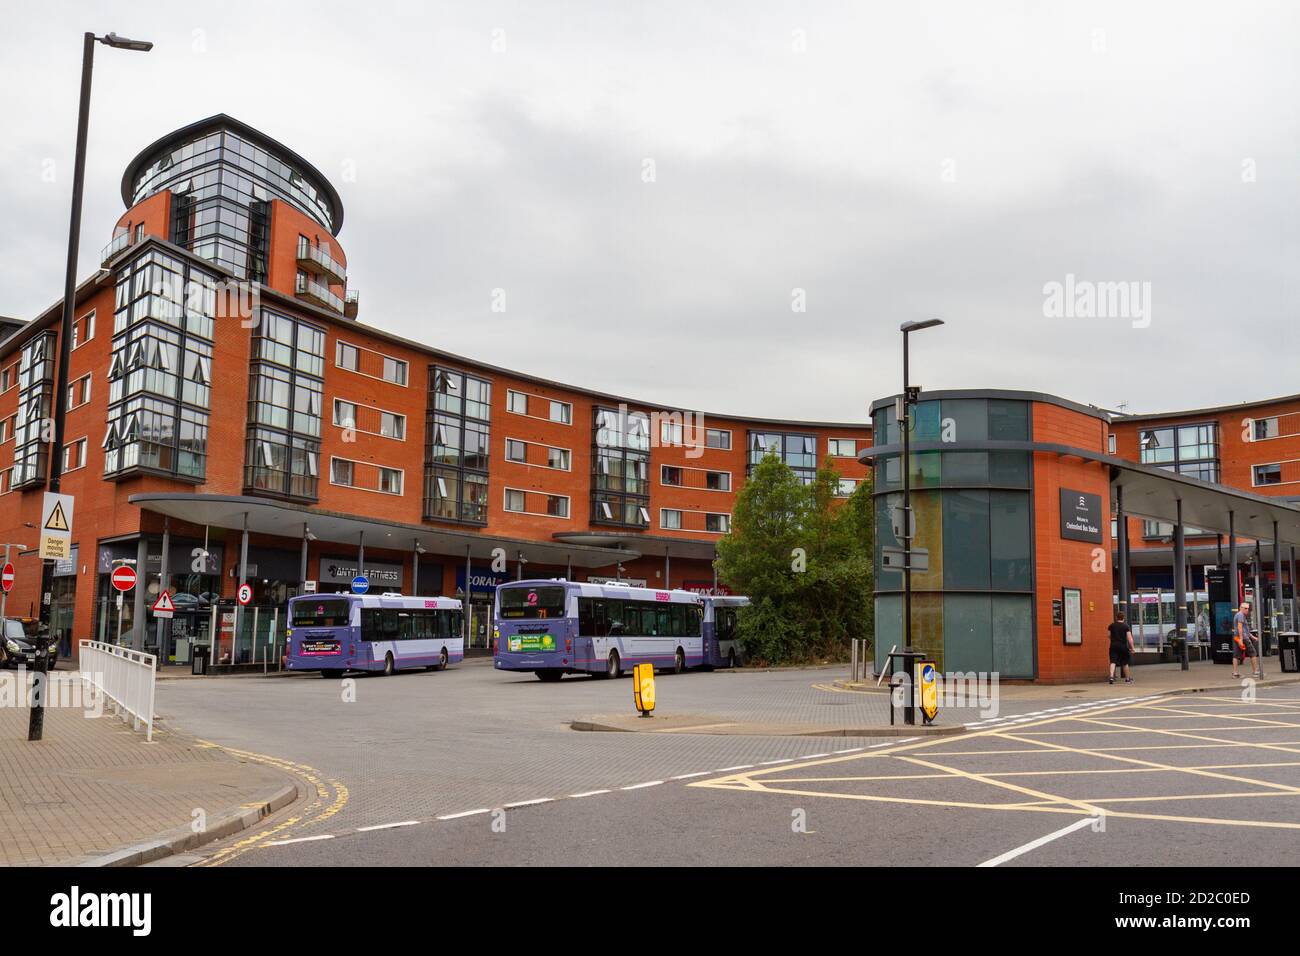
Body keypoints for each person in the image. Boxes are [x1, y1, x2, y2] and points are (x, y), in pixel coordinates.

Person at [1232, 602, 1262, 679]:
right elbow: (1240, 627)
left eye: (1248, 608)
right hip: (1243, 638)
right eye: (1245, 608)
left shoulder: (1239, 615)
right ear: (1240, 608)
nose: (1247, 610)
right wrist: (1242, 639)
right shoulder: (1241, 615)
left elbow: (1245, 629)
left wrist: (1252, 637)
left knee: (1236, 655)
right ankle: (1255, 672)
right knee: (1253, 653)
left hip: (1237, 637)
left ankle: (1235, 673)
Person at [1108, 611, 1135, 685]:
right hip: (1123, 646)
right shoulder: (1125, 626)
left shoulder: (1111, 626)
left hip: (1113, 645)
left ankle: (1111, 677)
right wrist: (1132, 648)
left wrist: (1114, 639)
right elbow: (1129, 638)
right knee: (1125, 663)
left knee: (1113, 661)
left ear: (1116, 617)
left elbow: (1109, 636)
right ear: (1123, 618)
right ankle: (1127, 679)